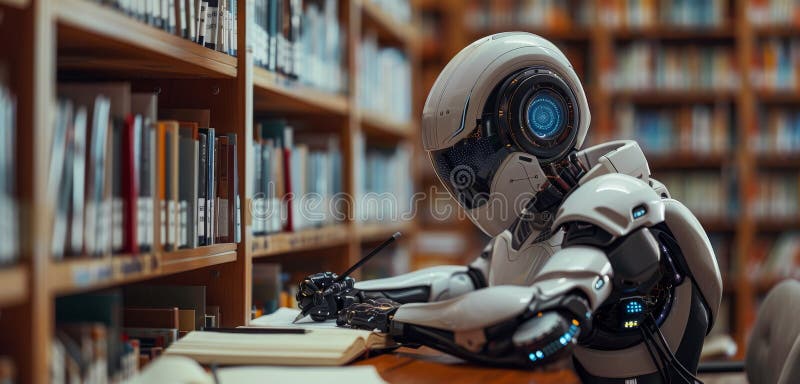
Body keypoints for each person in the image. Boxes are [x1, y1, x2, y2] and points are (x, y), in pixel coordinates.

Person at [296, 32, 721, 383]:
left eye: (472, 162)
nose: (467, 183)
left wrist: (390, 318)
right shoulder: (546, 220)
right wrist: (348, 294)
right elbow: (467, 283)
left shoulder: (613, 198)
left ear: (532, 136)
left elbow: (534, 320)